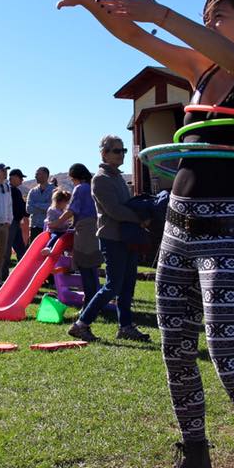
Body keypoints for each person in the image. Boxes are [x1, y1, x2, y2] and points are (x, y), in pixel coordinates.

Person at [45, 0, 234, 468]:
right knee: (176, 352)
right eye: (203, 19)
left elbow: (228, 57)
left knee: (229, 358)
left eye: (217, 17)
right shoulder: (201, 71)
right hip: (176, 230)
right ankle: (194, 463)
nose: (206, 26)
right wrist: (88, 1)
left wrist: (161, 12)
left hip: (226, 234)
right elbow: (135, 37)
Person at [68, 135, 150, 344]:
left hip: (126, 236)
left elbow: (126, 205)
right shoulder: (101, 179)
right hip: (112, 237)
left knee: (128, 283)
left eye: (122, 151)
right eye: (116, 150)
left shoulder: (117, 177)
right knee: (113, 286)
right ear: (104, 153)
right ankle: (81, 324)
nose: (121, 154)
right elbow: (113, 210)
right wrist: (139, 219)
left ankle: (125, 326)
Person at [55, 164, 101, 315]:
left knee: (85, 267)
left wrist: (57, 222)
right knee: (92, 268)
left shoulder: (80, 188)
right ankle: (95, 302)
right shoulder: (93, 186)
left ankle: (88, 306)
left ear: (75, 177)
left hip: (85, 230)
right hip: (95, 228)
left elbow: (73, 209)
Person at [2, 169, 28, 279]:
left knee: (21, 249)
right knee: (6, 250)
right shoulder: (9, 190)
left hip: (16, 222)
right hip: (10, 222)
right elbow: (19, 208)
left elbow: (21, 207)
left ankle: (22, 274)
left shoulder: (14, 190)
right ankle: (3, 275)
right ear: (13, 177)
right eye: (20, 178)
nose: (22, 180)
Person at [26, 167, 55, 245]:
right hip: (34, 226)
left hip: (49, 227)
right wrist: (45, 206)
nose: (35, 176)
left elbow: (53, 208)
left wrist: (36, 204)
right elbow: (29, 209)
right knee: (34, 251)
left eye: (37, 174)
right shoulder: (32, 191)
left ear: (45, 175)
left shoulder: (54, 191)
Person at [39, 189, 72, 257]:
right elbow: (51, 223)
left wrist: (67, 224)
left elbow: (65, 222)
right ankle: (48, 247)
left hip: (63, 231)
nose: (66, 204)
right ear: (59, 202)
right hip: (55, 230)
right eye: (65, 202)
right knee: (55, 236)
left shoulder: (63, 211)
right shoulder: (52, 210)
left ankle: (69, 252)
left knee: (71, 235)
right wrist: (61, 223)